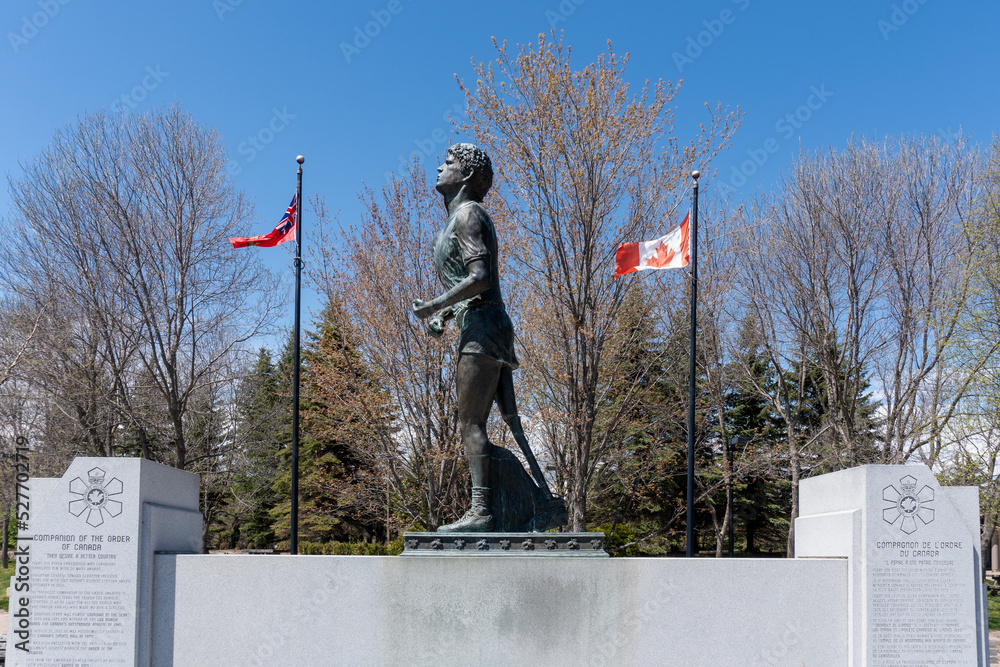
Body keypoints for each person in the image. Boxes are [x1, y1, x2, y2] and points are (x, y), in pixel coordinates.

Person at [412, 143, 546, 532]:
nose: (440, 167)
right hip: (483, 323)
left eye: (449, 163)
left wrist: (435, 305)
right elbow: (474, 287)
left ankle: (483, 511)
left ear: (467, 174)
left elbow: (481, 278)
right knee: (509, 420)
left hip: (484, 328)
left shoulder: (469, 214)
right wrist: (449, 313)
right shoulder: (458, 218)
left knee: (471, 422)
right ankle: (537, 500)